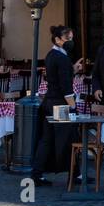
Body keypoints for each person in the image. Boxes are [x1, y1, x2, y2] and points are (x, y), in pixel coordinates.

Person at [31, 25, 79, 186]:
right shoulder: (62, 58)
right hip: (60, 105)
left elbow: (58, 77)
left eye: (71, 38)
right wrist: (72, 107)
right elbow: (66, 88)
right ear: (58, 40)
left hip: (49, 103)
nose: (71, 41)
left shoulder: (52, 55)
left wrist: (72, 70)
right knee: (68, 138)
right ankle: (74, 174)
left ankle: (37, 174)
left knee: (47, 139)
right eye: (68, 39)